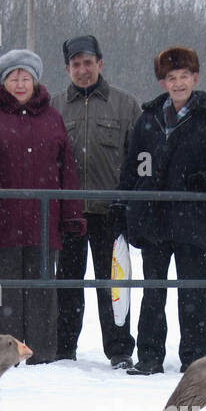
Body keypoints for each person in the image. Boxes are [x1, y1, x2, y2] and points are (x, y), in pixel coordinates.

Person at [112, 45, 206, 374]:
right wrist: (124, 201)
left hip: (196, 220)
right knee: (153, 292)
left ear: (195, 78)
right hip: (154, 220)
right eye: (171, 78)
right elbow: (133, 167)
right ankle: (150, 357)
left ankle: (194, 360)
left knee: (193, 294)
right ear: (163, 83)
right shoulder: (149, 119)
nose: (178, 83)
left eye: (184, 76)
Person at [0, 48, 84, 364]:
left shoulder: (52, 117)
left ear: (35, 80)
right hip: (0, 222)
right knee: (4, 292)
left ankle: (42, 354)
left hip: (44, 221)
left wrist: (72, 215)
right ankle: (3, 355)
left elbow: (67, 168)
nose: (20, 83)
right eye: (14, 77)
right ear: (3, 81)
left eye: (26, 77)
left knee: (41, 291)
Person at [50, 34, 139, 367]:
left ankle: (119, 350)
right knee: (68, 284)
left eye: (88, 62)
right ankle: (63, 349)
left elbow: (138, 160)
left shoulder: (126, 105)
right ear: (67, 68)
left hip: (110, 212)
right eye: (76, 64)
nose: (83, 70)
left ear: (100, 64)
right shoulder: (55, 107)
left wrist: (129, 203)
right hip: (70, 212)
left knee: (114, 285)